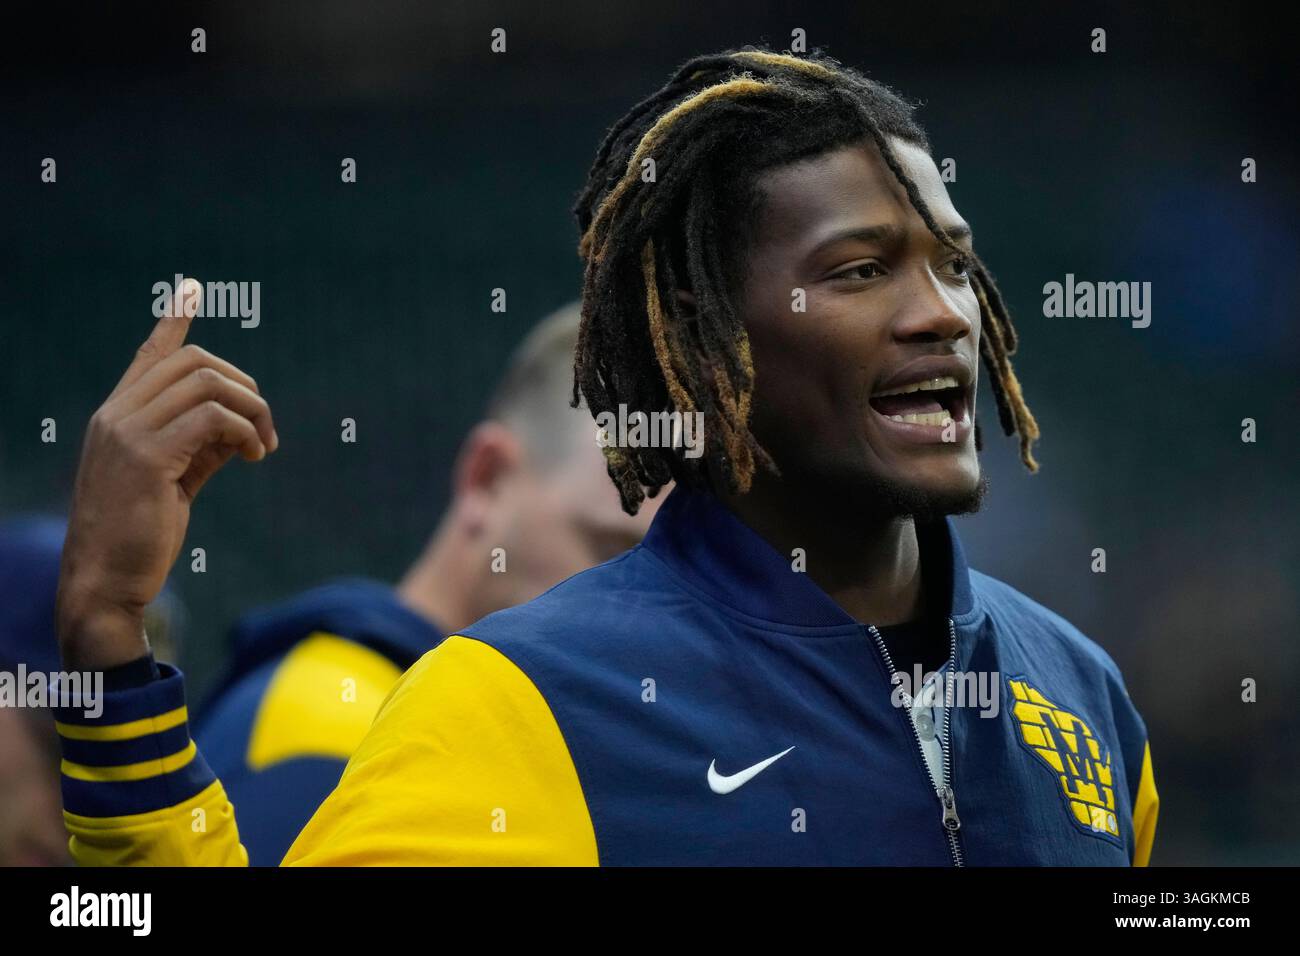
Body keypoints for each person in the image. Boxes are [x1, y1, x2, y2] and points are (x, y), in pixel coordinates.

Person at [53, 46, 1157, 866]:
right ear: (707, 328)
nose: (944, 314)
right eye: (863, 269)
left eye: (954, 264)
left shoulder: (1084, 694)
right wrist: (107, 637)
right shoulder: (515, 705)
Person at [191, 303, 659, 865]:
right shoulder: (321, 733)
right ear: (485, 480)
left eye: (669, 573)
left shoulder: (552, 741)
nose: (640, 610)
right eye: (611, 551)